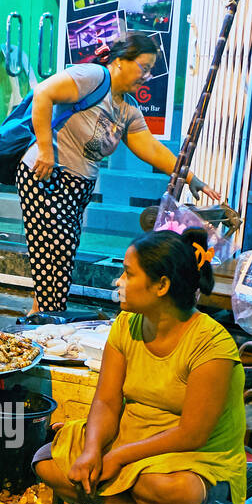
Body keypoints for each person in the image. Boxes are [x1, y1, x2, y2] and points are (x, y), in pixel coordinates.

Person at [34, 228, 247, 504]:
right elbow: (107, 402)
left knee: (161, 488)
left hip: (191, 454)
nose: (118, 282)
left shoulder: (212, 343)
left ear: (161, 285)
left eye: (128, 274)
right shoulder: (126, 325)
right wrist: (93, 450)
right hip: (132, 434)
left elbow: (192, 434)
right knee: (46, 462)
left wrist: (120, 457)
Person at [19, 33, 219, 317]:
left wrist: (191, 178)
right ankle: (47, 319)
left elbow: (150, 147)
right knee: (53, 254)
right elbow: (43, 93)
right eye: (143, 67)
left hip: (77, 188)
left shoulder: (127, 109)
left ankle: (41, 316)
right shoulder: (93, 77)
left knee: (59, 256)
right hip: (47, 177)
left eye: (150, 70)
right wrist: (45, 150)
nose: (147, 76)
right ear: (121, 61)